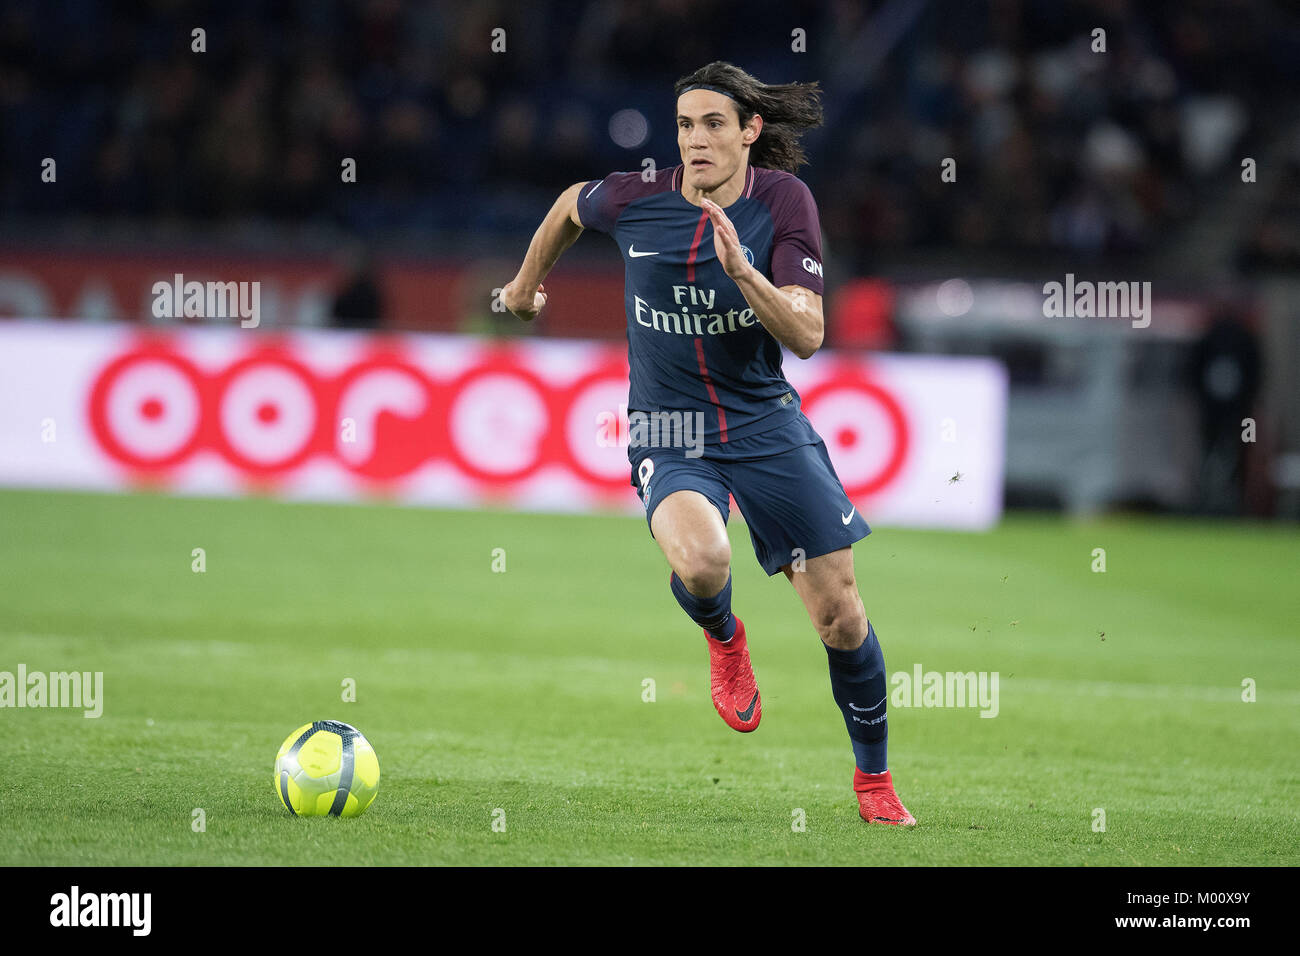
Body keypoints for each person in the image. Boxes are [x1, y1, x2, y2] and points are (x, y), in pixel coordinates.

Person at [501, 61, 914, 825]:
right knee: (703, 559)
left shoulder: (783, 203)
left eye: (714, 124)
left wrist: (745, 275)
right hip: (670, 424)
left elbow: (810, 335)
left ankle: (874, 781)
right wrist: (526, 286)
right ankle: (726, 637)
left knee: (841, 619)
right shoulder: (638, 198)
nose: (696, 140)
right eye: (686, 124)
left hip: (765, 426)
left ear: (751, 131)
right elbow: (567, 206)